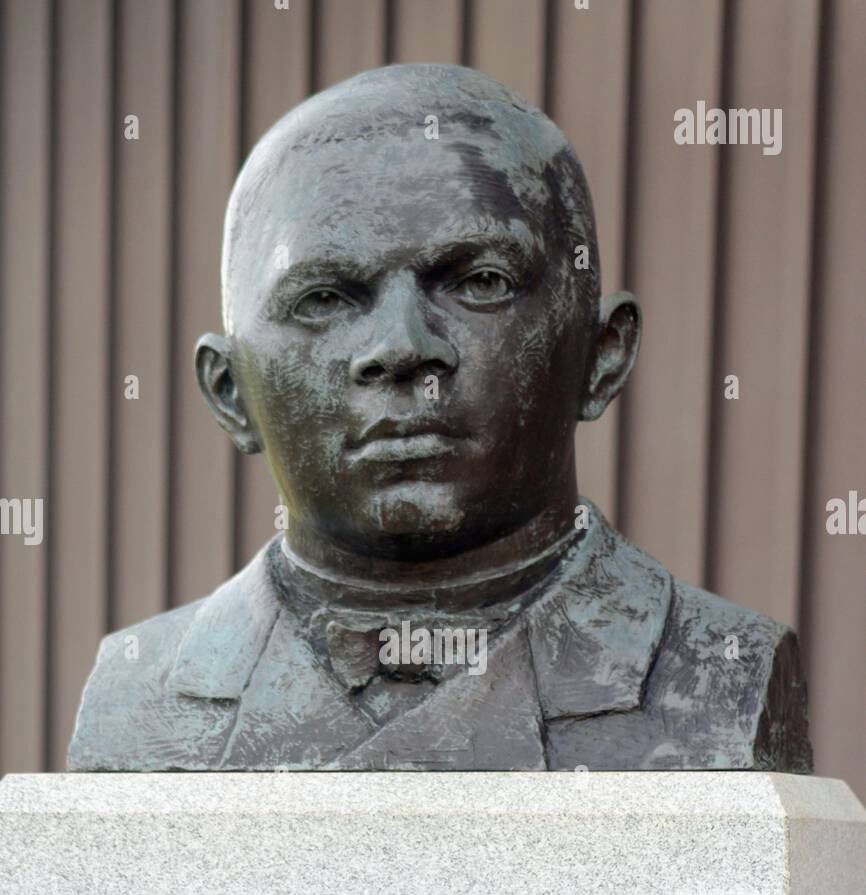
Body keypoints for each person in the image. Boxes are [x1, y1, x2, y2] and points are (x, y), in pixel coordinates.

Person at [68, 64, 811, 772]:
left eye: (480, 282)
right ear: (231, 393)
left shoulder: (719, 675)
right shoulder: (136, 697)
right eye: (324, 298)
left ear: (600, 354)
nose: (401, 349)